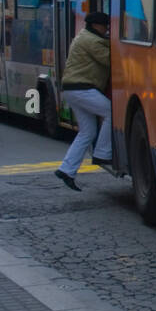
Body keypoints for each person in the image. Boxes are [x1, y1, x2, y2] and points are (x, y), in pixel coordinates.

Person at [55, 11, 112, 191]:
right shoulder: (91, 41)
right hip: (82, 88)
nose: (107, 29)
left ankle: (66, 170)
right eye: (105, 26)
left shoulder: (84, 36)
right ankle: (102, 154)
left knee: (87, 132)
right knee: (111, 112)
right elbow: (110, 60)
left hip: (73, 89)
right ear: (96, 25)